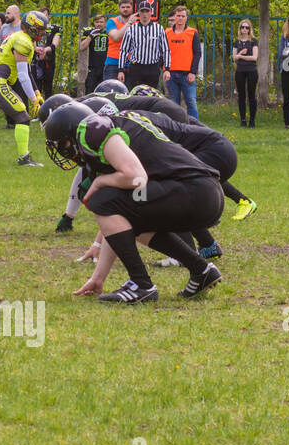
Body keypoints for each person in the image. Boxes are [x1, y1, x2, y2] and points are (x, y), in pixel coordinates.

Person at [43, 101, 223, 303]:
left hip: (193, 190)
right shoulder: (111, 128)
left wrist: (102, 181)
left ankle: (140, 284)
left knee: (102, 199)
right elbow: (117, 224)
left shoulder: (91, 129)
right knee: (120, 209)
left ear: (72, 132)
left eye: (63, 144)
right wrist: (98, 277)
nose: (63, 150)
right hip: (204, 192)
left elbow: (136, 177)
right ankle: (201, 270)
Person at [0, 9, 47, 166]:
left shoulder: (19, 37)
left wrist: (36, 91)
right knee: (23, 117)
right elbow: (22, 75)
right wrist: (33, 100)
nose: (42, 33)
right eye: (40, 30)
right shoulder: (23, 41)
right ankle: (24, 158)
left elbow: (27, 70)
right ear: (32, 28)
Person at [117, 4, 169, 90]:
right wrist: (121, 70)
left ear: (151, 12)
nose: (145, 14)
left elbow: (165, 49)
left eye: (147, 11)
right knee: (136, 95)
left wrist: (167, 69)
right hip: (136, 67)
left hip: (153, 67)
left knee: (151, 96)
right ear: (138, 13)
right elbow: (124, 50)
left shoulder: (159, 29)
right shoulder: (131, 29)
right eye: (142, 11)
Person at [163, 5, 201, 120]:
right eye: (178, 16)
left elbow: (197, 53)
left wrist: (193, 72)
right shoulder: (167, 32)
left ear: (186, 18)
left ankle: (195, 127)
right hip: (171, 74)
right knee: (174, 104)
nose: (180, 18)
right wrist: (166, 70)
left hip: (187, 74)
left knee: (191, 102)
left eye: (183, 16)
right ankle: (176, 127)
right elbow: (163, 52)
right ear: (174, 17)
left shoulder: (192, 32)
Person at [231, 19, 259, 127]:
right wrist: (239, 55)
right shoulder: (236, 42)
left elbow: (254, 58)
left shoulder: (253, 41)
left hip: (252, 70)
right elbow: (234, 59)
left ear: (249, 29)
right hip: (240, 71)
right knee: (241, 96)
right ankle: (243, 120)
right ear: (240, 29)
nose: (244, 29)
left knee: (251, 95)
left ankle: (252, 121)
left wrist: (241, 55)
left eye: (247, 27)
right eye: (242, 27)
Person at [31, 9, 63, 98]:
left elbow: (55, 44)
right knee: (37, 88)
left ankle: (48, 109)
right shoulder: (34, 28)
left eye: (45, 15)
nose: (42, 17)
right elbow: (32, 41)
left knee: (48, 88)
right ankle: (37, 110)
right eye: (40, 15)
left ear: (49, 16)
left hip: (48, 60)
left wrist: (45, 50)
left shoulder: (55, 28)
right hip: (36, 61)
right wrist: (36, 49)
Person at [103, 0, 134, 81]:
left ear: (132, 8)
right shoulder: (112, 21)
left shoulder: (138, 23)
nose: (125, 9)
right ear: (119, 8)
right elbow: (116, 37)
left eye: (128, 7)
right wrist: (129, 23)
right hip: (113, 63)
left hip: (132, 63)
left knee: (130, 92)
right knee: (111, 92)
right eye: (123, 7)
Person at [79, 13, 108, 95]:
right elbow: (81, 47)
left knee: (105, 93)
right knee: (90, 92)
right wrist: (90, 36)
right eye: (97, 22)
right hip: (93, 68)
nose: (99, 24)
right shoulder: (89, 32)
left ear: (105, 23)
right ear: (94, 23)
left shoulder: (109, 32)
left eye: (101, 22)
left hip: (106, 67)